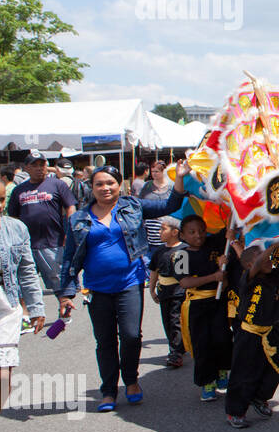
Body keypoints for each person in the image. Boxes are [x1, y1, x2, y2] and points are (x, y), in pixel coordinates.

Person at [58, 162, 189, 412]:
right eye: (99, 184)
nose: (105, 188)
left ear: (120, 185)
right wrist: (65, 294)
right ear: (91, 187)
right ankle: (108, 390)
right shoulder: (78, 218)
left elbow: (170, 205)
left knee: (130, 335)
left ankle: (131, 381)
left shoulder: (134, 206)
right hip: (97, 288)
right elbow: (69, 258)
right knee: (104, 340)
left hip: (129, 283)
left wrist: (180, 179)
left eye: (110, 183)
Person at [0, 173, 46, 432]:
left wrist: (36, 308)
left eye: (1, 200)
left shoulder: (15, 228)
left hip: (3, 305)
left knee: (2, 374)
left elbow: (27, 271)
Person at [225, 235, 279, 429]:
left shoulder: (272, 275)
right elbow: (258, 263)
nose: (269, 260)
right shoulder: (248, 278)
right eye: (262, 258)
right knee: (244, 373)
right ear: (249, 265)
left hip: (269, 333)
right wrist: (276, 244)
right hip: (248, 334)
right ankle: (235, 412)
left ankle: (260, 398)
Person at [175, 215, 235, 403]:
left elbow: (228, 232)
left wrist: (231, 234)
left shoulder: (213, 243)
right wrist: (214, 276)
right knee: (202, 344)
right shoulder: (181, 255)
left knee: (223, 338)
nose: (198, 235)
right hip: (197, 305)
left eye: (201, 230)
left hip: (219, 302)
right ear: (182, 235)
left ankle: (222, 372)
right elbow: (184, 282)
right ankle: (206, 382)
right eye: (192, 232)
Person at [7, 153, 76, 293]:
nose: (39, 168)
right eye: (34, 165)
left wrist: (70, 231)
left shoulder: (58, 184)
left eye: (42, 165)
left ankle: (65, 313)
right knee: (25, 282)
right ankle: (29, 314)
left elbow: (71, 206)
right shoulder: (18, 190)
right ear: (26, 168)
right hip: (26, 244)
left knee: (59, 280)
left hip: (52, 242)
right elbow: (12, 217)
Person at [148, 215, 187, 369]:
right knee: (167, 322)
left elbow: (182, 275)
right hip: (164, 291)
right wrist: (151, 289)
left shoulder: (183, 250)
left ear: (174, 232)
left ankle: (176, 352)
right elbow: (154, 271)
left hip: (178, 291)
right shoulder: (159, 251)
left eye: (163, 229)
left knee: (176, 320)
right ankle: (177, 347)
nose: (159, 232)